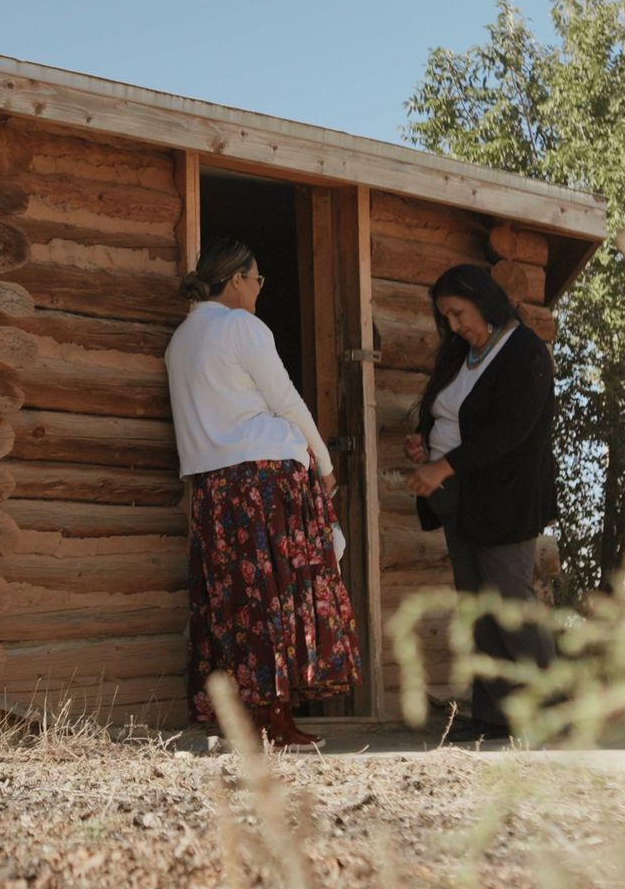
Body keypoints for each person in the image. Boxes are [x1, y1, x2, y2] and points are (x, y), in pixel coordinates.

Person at [166, 239, 362, 748]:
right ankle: (274, 719)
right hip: (266, 480)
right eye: (257, 280)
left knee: (233, 604)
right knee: (279, 598)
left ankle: (249, 720)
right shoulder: (241, 327)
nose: (259, 290)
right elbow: (287, 401)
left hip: (215, 490)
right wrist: (322, 462)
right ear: (236, 280)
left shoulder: (180, 341)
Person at [403, 263, 558, 742]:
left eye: (458, 313)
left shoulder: (524, 351)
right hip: (460, 500)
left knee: (511, 603)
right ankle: (494, 717)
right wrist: (424, 443)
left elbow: (510, 431)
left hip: (506, 498)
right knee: (477, 608)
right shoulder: (460, 355)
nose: (454, 326)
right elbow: (448, 413)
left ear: (483, 301)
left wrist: (442, 466)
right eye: (446, 318)